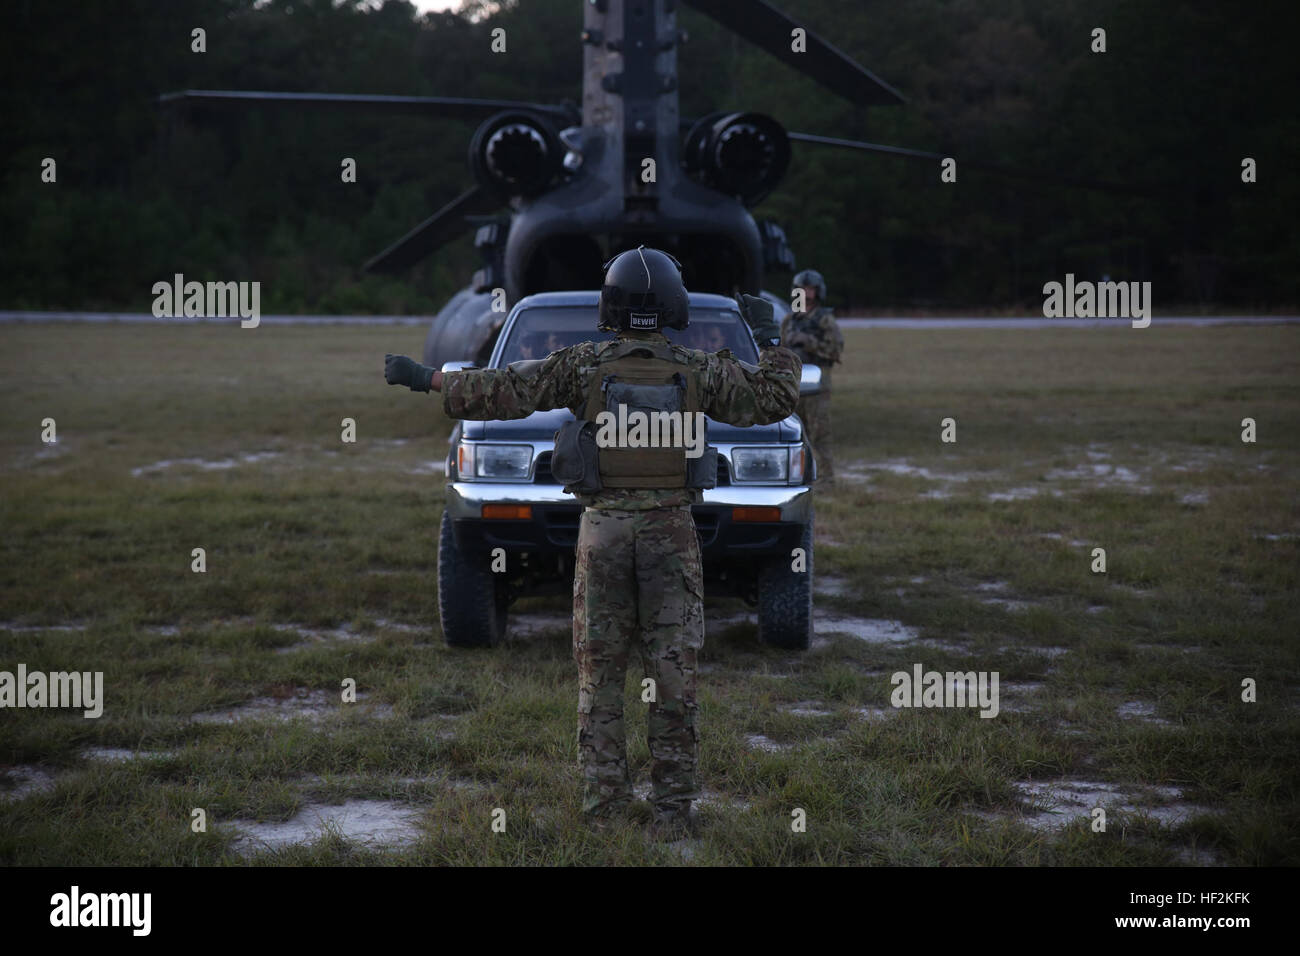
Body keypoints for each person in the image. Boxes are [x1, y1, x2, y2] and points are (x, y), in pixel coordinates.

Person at [383, 247, 800, 837]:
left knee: (600, 674)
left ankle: (604, 812)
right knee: (673, 673)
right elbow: (776, 398)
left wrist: (429, 379)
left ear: (611, 306)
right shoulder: (700, 371)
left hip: (602, 532)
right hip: (672, 537)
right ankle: (672, 814)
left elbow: (505, 390)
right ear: (675, 305)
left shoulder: (583, 366)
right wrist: (769, 336)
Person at [780, 268, 844, 482]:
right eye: (802, 289)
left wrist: (809, 343)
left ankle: (826, 478)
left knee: (819, 433)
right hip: (793, 383)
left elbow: (835, 350)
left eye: (810, 289)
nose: (806, 293)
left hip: (817, 384)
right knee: (795, 432)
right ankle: (798, 475)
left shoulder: (824, 320)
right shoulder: (790, 320)